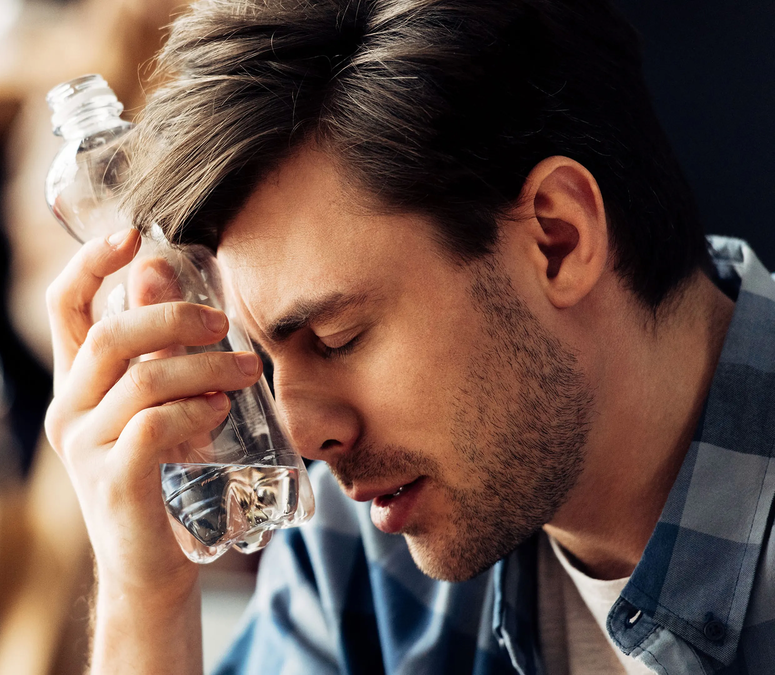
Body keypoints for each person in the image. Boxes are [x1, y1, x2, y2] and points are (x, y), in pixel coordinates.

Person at [42, 0, 775, 673]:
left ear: (556, 238)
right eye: (268, 358)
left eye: (337, 336)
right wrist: (146, 596)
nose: (300, 435)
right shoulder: (359, 544)